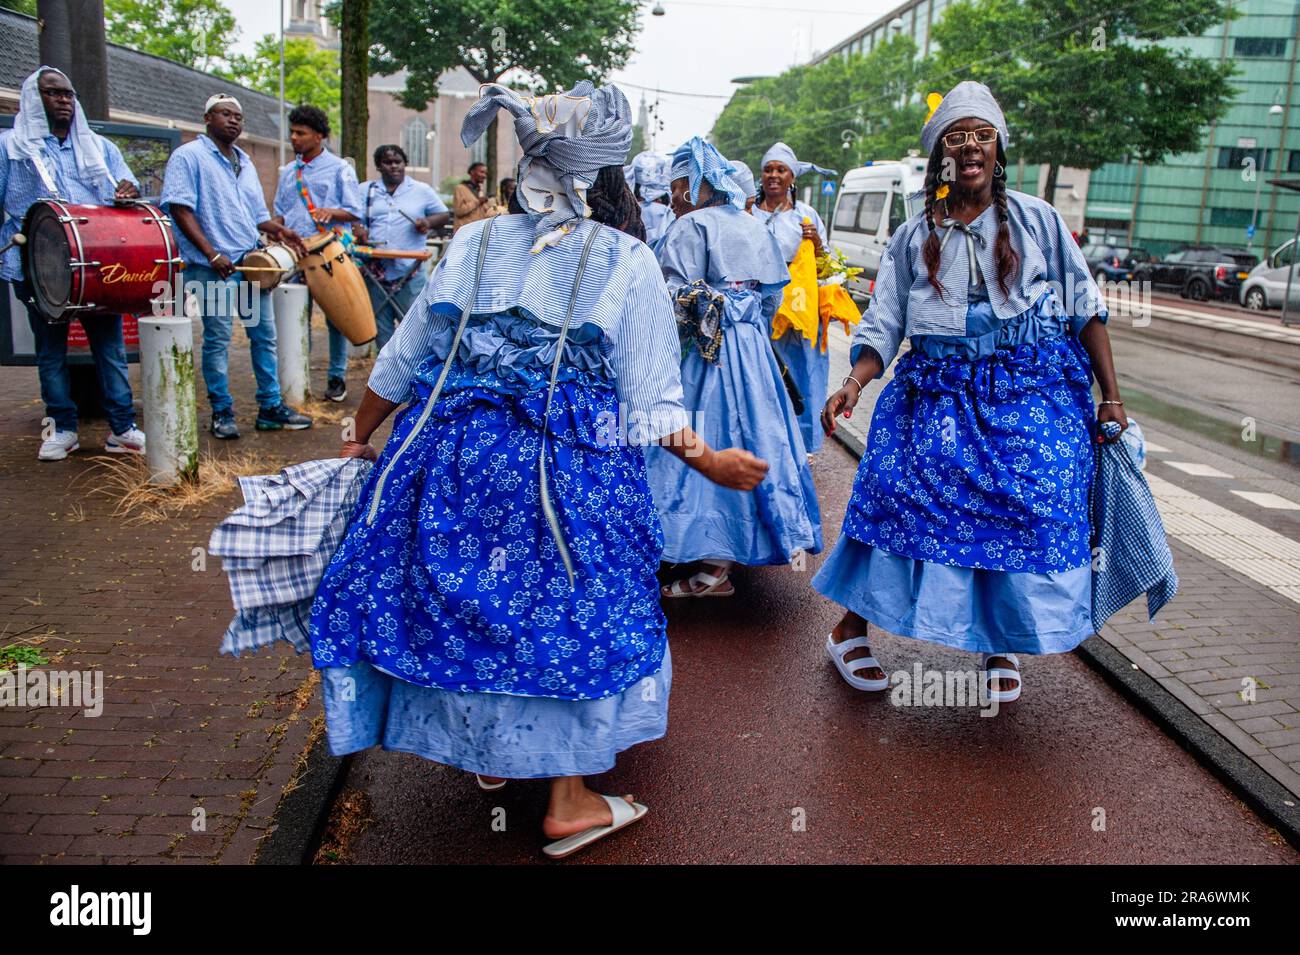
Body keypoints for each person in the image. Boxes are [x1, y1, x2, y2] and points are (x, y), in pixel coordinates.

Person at [308, 82, 766, 857]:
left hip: (447, 457)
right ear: (611, 179)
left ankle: (489, 751)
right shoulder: (625, 258)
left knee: (469, 600)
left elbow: (402, 358)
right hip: (568, 477)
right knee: (575, 608)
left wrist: (358, 438)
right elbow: (651, 405)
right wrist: (714, 462)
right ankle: (567, 798)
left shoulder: (472, 242)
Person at [815, 81, 1125, 702]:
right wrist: (853, 381)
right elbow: (884, 325)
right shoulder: (910, 238)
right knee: (897, 498)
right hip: (934, 397)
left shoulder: (1038, 221)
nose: (971, 148)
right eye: (957, 139)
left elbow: (1085, 309)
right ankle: (851, 627)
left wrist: (1110, 396)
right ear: (941, 162)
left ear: (999, 152)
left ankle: (997, 637)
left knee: (1024, 503)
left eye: (983, 135)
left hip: (1023, 393)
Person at [646, 137, 822, 598]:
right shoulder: (752, 225)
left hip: (704, 353)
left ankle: (698, 553)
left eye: (678, 183)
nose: (674, 193)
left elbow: (672, 300)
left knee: (697, 439)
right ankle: (728, 556)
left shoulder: (690, 228)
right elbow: (770, 297)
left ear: (693, 183)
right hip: (752, 353)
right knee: (757, 437)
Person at [0, 67, 145, 461]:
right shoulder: (11, 147)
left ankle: (122, 429)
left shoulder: (99, 147)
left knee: (110, 349)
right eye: (53, 94)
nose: (64, 100)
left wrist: (129, 191)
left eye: (68, 94)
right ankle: (61, 429)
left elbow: (128, 188)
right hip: (38, 268)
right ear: (34, 98)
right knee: (51, 353)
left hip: (97, 266)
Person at [162, 94, 312, 439]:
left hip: (249, 264)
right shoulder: (189, 157)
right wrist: (212, 253)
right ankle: (222, 411)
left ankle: (270, 408)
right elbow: (180, 209)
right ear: (207, 118)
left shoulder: (244, 162)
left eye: (238, 117)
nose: (233, 121)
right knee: (218, 339)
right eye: (225, 114)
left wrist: (282, 231)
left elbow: (257, 216)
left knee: (264, 337)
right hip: (211, 267)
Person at [273, 105, 363, 403]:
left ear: (319, 136)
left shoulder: (340, 168)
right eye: (293, 132)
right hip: (295, 253)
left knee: (336, 318)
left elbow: (354, 210)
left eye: (301, 133)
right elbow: (280, 212)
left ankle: (337, 377)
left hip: (328, 252)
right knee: (295, 314)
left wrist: (331, 212)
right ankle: (298, 375)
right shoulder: (289, 172)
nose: (294, 138)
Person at [752, 142, 836, 457]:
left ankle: (802, 446)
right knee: (762, 374)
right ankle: (766, 442)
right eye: (768, 169)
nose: (773, 175)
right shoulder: (748, 213)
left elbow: (827, 267)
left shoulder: (807, 216)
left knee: (804, 375)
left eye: (780, 170)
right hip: (762, 310)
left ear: (792, 177)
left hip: (800, 313)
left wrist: (817, 245)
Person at [354, 144, 450, 349]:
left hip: (410, 272)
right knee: (382, 330)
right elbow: (353, 218)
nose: (394, 166)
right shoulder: (366, 190)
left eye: (398, 162)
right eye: (388, 163)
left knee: (415, 329)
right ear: (379, 166)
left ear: (405, 164)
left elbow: (443, 215)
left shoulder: (421, 190)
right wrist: (358, 229)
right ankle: (385, 376)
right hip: (376, 273)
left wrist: (427, 223)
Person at [452, 162, 498, 232]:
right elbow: (459, 211)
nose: (484, 176)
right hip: (464, 233)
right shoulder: (460, 188)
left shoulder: (480, 190)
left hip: (477, 232)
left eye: (485, 173)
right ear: (472, 172)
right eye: (482, 172)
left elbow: (482, 211)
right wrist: (478, 201)